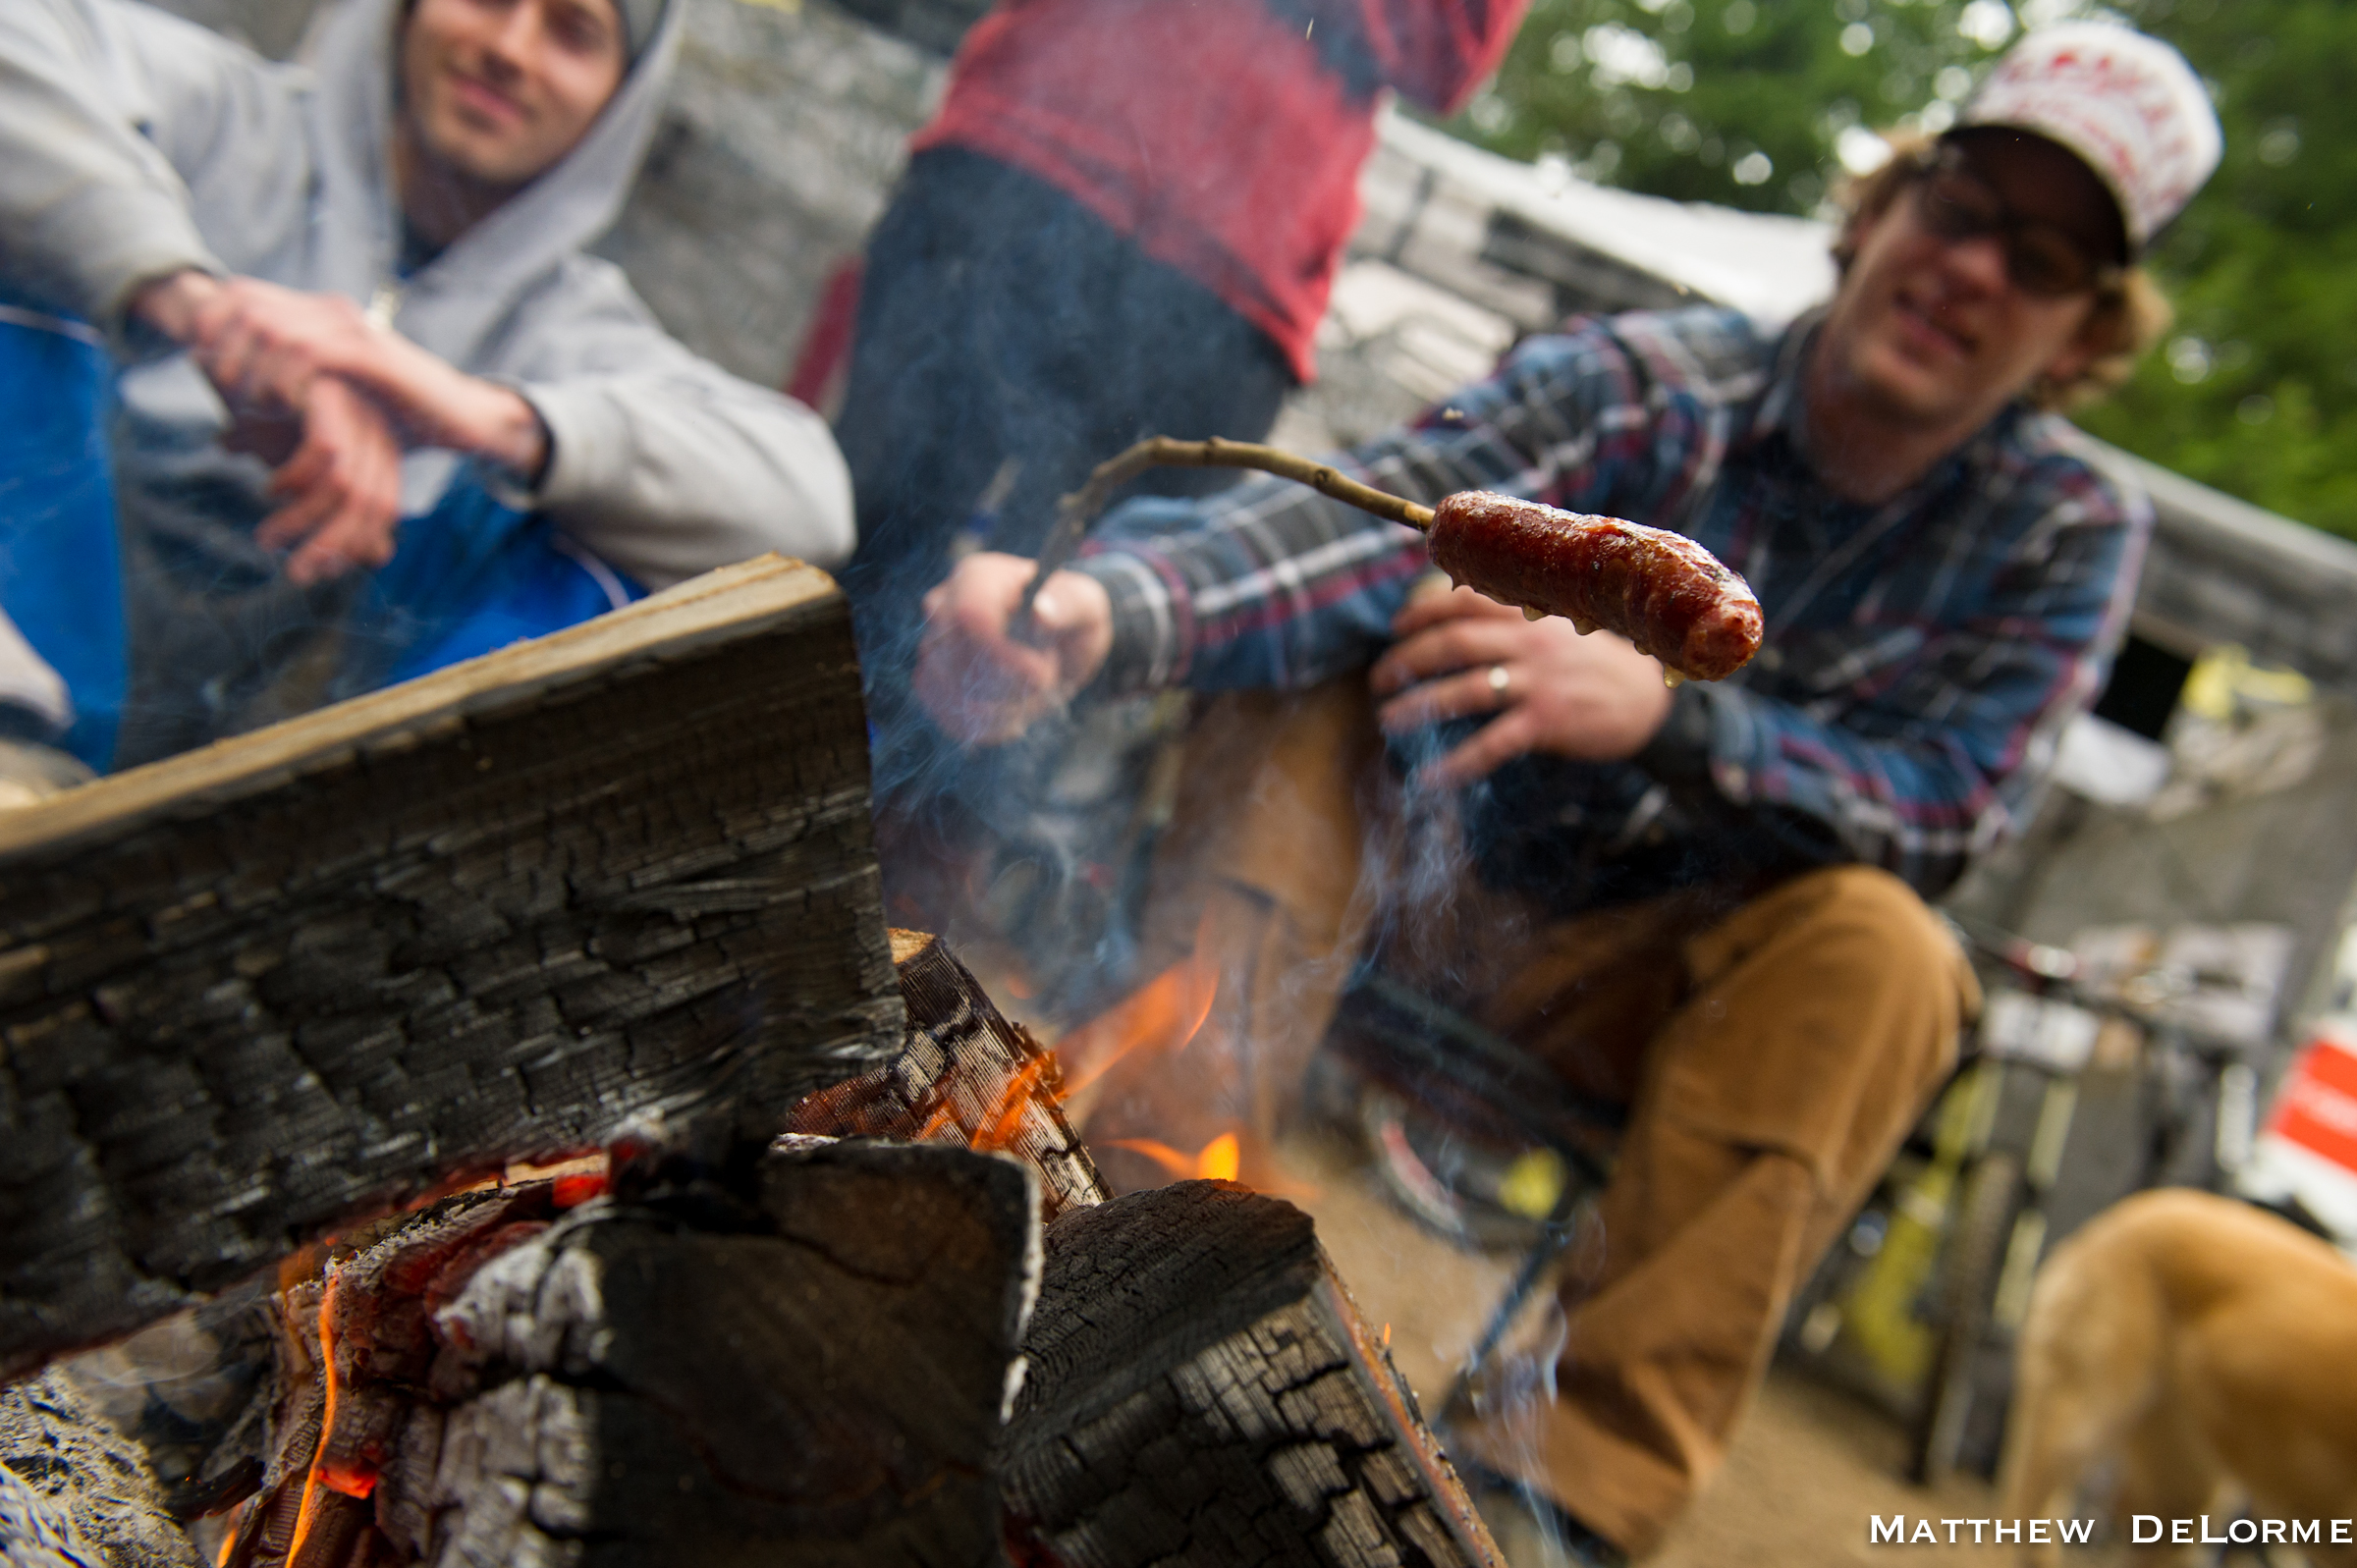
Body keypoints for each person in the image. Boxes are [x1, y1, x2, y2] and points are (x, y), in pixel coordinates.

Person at [907, 23, 2219, 1562]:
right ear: (1879, 213)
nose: (1979, 267)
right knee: (1319, 674)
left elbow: (1946, 809)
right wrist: (1096, 616)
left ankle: (1553, 1511)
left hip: (1647, 1008)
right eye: (1961, 206)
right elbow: (1360, 531)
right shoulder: (1654, 380)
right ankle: (1135, 1238)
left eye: (2047, 259)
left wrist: (1666, 723)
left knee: (1888, 955)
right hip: (1376, 889)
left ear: (2080, 334)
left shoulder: (2062, 533)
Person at [0, 0, 852, 781]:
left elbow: (810, 497)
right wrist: (191, 304)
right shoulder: (220, 114)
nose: (509, 49)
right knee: (35, 246)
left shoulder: (568, 325)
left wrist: (484, 417)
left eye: (572, 32)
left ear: (618, 99)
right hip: (46, 612)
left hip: (309, 719)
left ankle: (359, 862)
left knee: (609, 531)